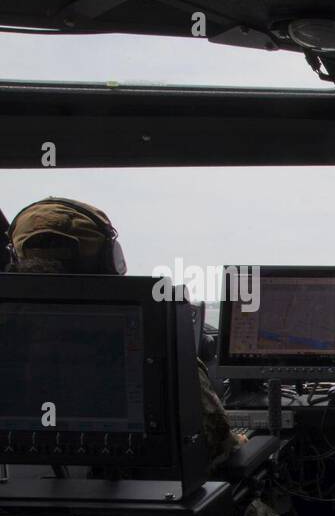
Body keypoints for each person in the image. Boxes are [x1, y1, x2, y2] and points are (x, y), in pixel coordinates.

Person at [5, 197, 242, 463]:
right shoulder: (155, 335)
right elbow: (215, 442)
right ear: (112, 260)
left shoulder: (13, 338)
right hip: (144, 498)